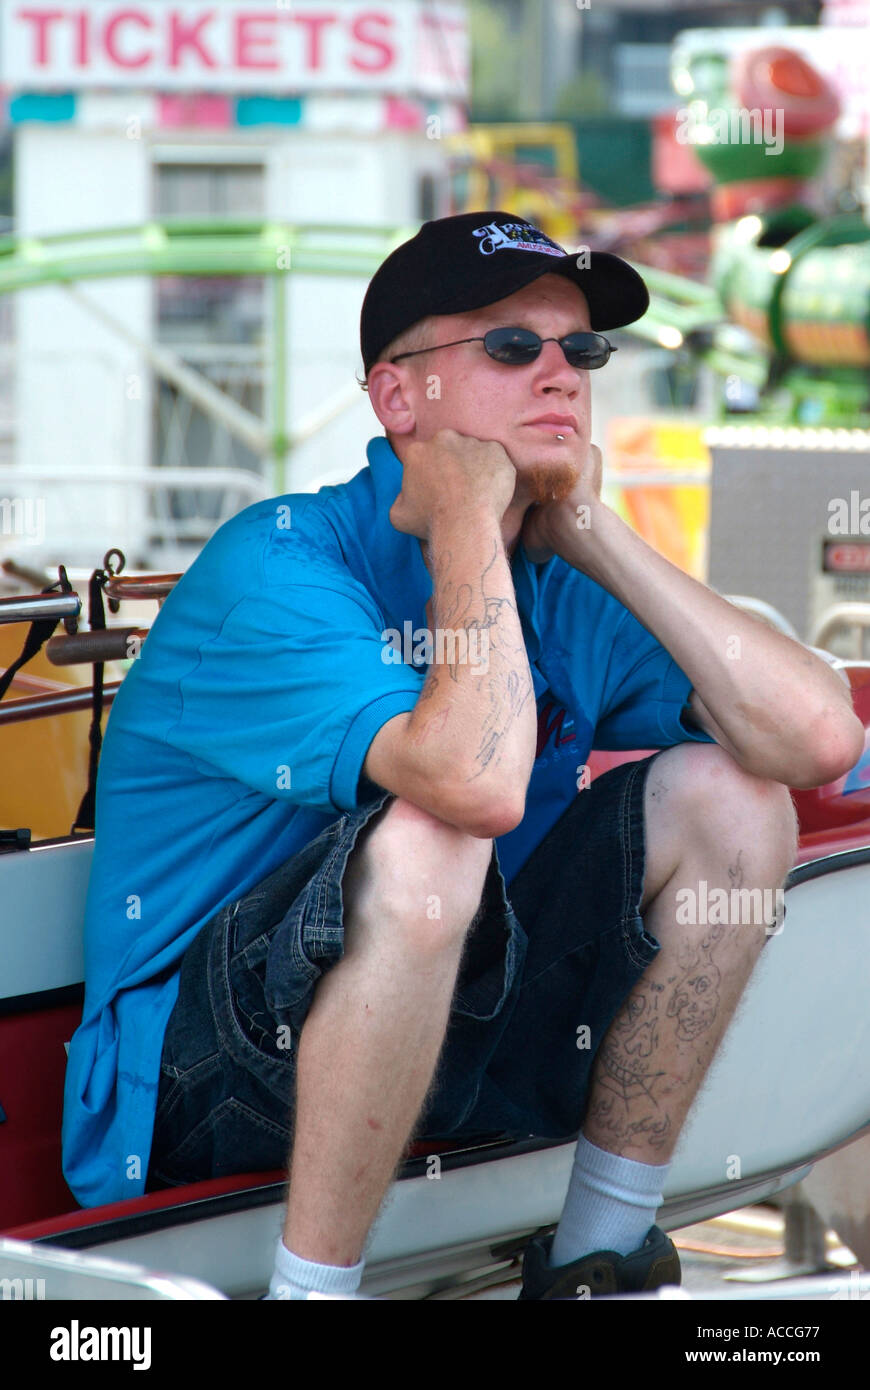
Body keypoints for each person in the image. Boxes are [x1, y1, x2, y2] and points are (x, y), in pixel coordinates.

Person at [61, 210, 863, 1301]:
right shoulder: (279, 566)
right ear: (399, 399)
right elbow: (473, 781)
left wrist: (594, 531)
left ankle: (595, 1258)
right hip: (198, 1086)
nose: (562, 378)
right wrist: (462, 527)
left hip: (442, 1033)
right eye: (508, 346)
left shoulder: (553, 573)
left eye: (582, 351)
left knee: (735, 796)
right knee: (439, 826)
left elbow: (816, 738)